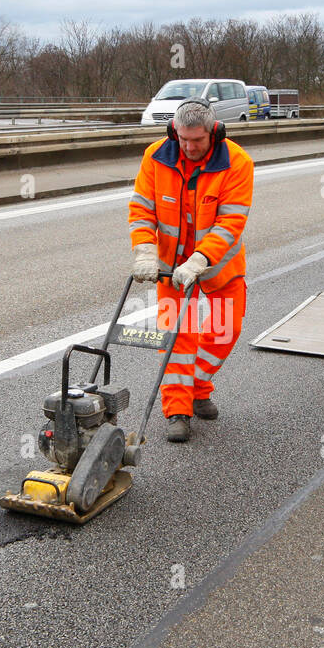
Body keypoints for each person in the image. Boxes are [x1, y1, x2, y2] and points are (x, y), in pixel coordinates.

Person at [127, 98, 252, 442]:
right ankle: (177, 411)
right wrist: (145, 253)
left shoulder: (237, 163)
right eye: (183, 139)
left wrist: (199, 261)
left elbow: (230, 223)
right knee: (177, 340)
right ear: (174, 132)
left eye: (197, 140)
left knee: (226, 331)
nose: (189, 146)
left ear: (215, 133)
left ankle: (197, 387)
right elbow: (142, 210)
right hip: (169, 268)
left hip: (217, 267)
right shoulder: (155, 157)